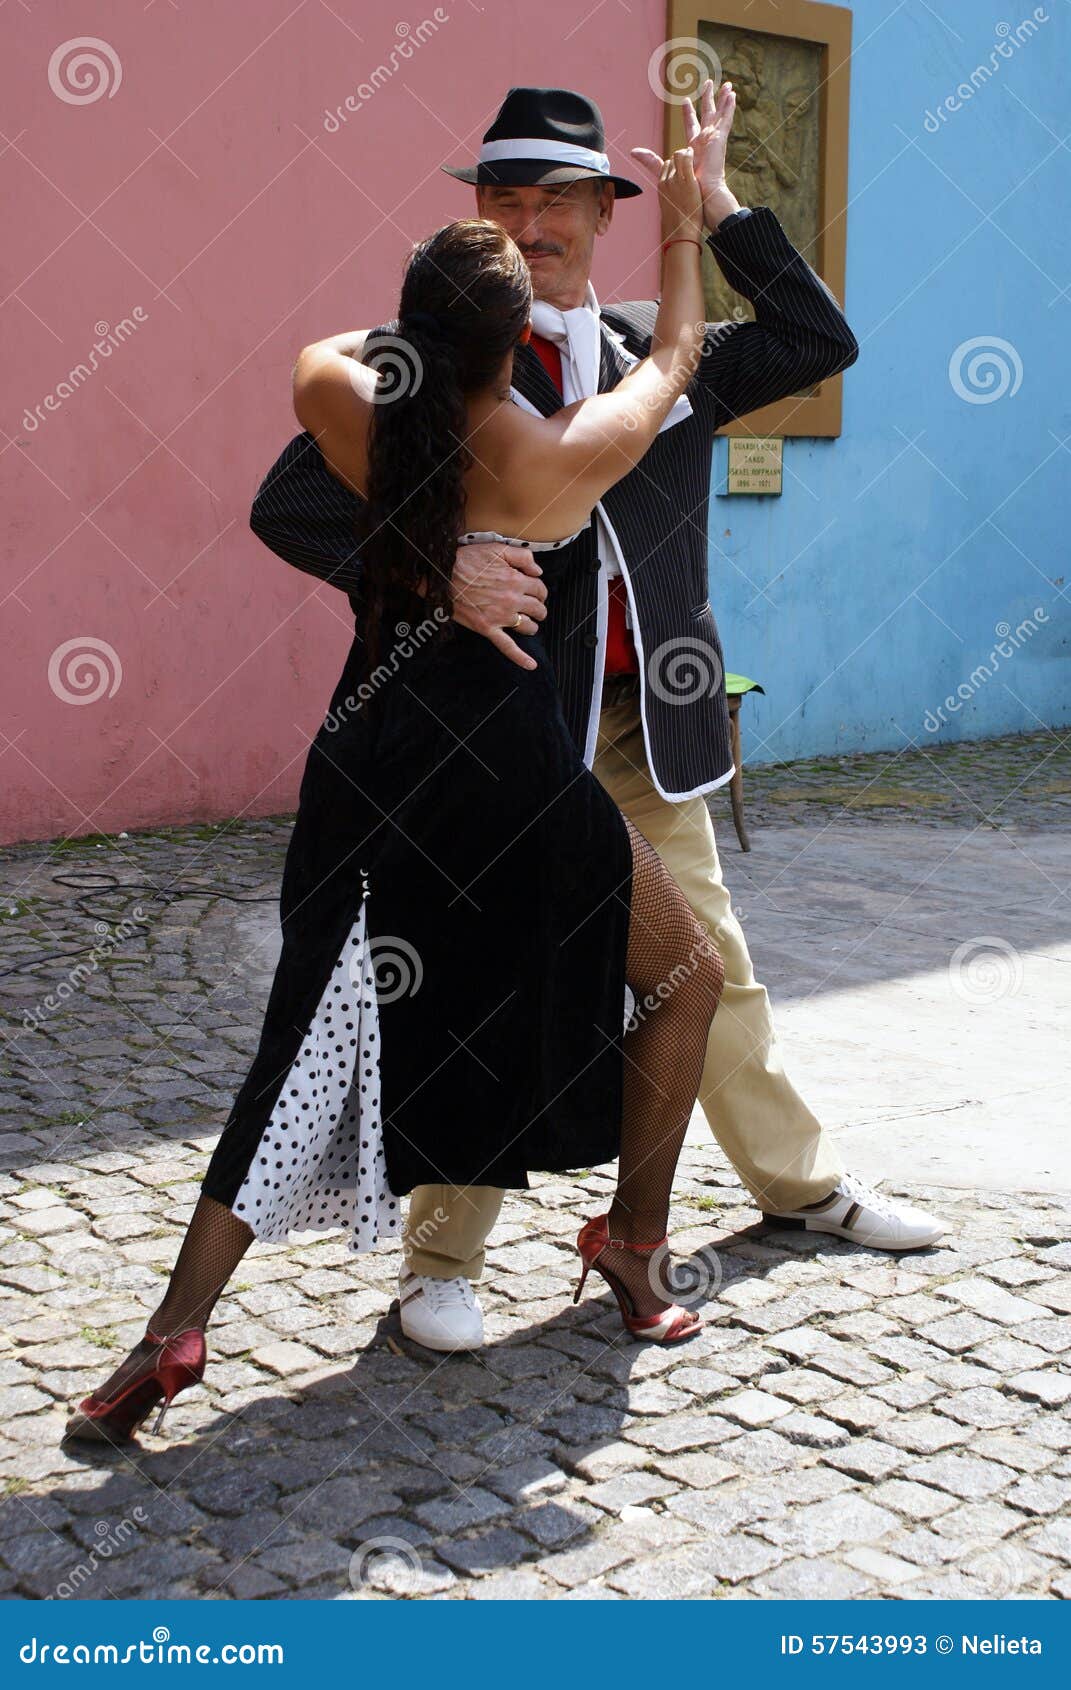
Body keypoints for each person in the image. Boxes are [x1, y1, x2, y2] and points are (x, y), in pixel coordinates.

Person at [247, 81, 946, 1352]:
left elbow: (817, 337)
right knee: (482, 980)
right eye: (507, 197)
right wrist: (438, 567)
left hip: (648, 725)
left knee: (708, 971)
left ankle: (796, 1185)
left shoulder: (654, 345)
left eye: (558, 199)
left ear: (607, 213)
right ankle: (439, 1263)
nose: (532, 222)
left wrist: (717, 207)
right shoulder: (437, 360)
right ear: (479, 212)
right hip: (510, 739)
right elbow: (290, 504)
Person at [64, 143, 728, 1446]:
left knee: (300, 1042)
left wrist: (423, 542)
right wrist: (684, 231)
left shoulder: (336, 393)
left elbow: (330, 355)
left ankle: (173, 1328)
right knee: (687, 975)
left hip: (367, 748)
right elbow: (673, 359)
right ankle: (635, 1245)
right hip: (504, 767)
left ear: (409, 329)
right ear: (510, 344)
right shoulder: (540, 455)